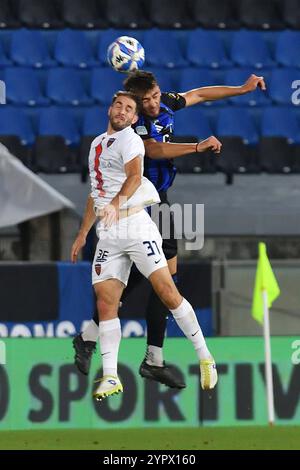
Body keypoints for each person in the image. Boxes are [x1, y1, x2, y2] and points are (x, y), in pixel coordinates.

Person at [73, 71, 266, 388]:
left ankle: (136, 351)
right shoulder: (133, 127)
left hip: (159, 201)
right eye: (145, 100)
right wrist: (196, 147)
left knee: (161, 277)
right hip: (138, 206)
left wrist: (241, 89)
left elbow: (200, 93)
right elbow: (153, 150)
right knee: (161, 278)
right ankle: (142, 354)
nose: (152, 104)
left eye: (155, 96)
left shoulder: (165, 104)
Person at [71, 91, 218, 400]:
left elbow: (135, 178)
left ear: (135, 118)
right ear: (110, 108)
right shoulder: (97, 144)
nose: (122, 111)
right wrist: (83, 232)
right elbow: (94, 193)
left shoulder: (131, 141)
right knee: (106, 302)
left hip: (136, 226)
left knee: (168, 292)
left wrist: (116, 205)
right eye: (119, 105)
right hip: (109, 233)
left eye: (129, 108)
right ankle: (110, 376)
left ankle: (205, 356)